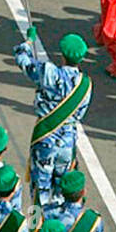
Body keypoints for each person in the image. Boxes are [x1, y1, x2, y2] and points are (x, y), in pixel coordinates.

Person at [14, 31, 91, 208]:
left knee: (39, 189)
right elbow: (79, 114)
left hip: (46, 137)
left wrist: (28, 42)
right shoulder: (85, 84)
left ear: (62, 55)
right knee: (63, 187)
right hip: (68, 140)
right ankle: (58, 226)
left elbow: (22, 60)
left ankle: (35, 228)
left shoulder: (48, 72)